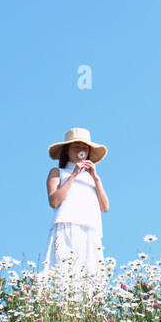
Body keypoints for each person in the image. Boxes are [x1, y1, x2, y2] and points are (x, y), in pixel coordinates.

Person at [40, 127, 110, 297]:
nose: (81, 151)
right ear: (67, 150)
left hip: (89, 230)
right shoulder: (58, 172)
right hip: (66, 226)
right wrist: (73, 175)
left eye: (84, 148)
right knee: (63, 272)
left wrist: (95, 177)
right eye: (76, 146)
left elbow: (105, 206)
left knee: (90, 274)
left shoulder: (91, 178)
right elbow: (54, 201)